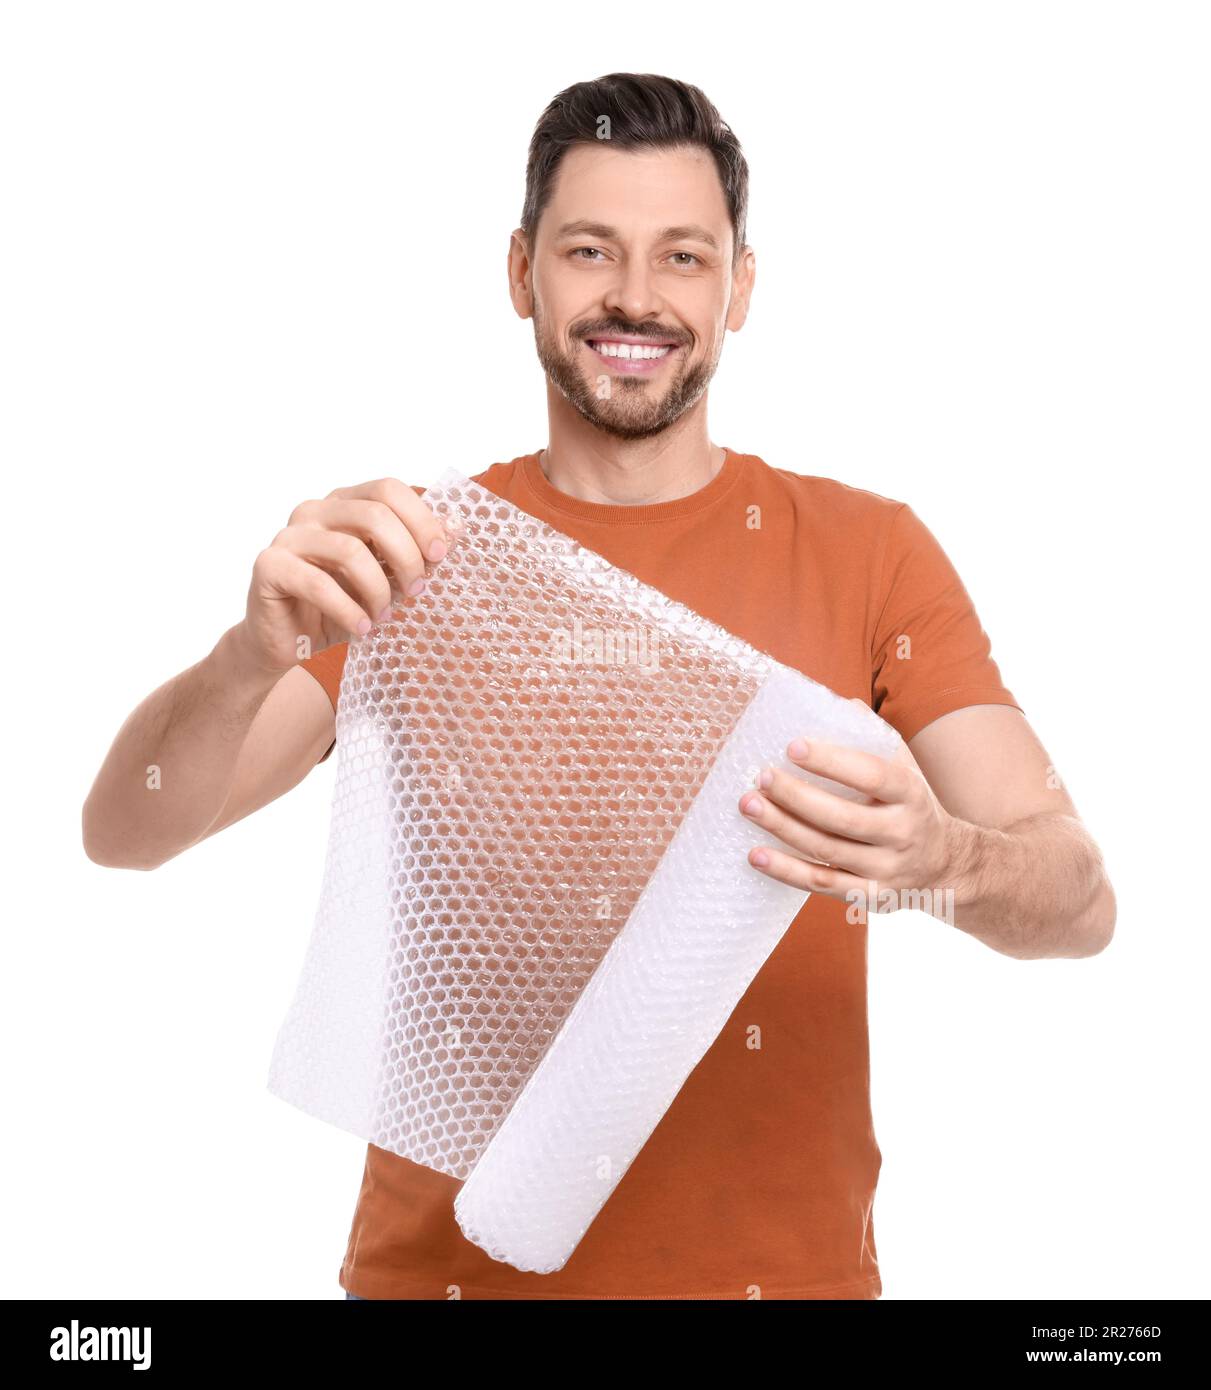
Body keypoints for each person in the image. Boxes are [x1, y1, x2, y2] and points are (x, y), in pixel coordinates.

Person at [82, 72, 1115, 1301]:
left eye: (683, 256)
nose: (634, 296)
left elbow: (1078, 899)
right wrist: (249, 649)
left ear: (738, 288)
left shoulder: (868, 551)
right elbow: (126, 832)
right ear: (520, 273)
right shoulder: (416, 556)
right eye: (589, 250)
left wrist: (942, 860)